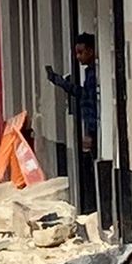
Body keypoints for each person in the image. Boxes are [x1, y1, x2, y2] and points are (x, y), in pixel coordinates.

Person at [47, 33, 98, 213]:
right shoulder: (90, 72)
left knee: (90, 168)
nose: (78, 57)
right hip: (90, 125)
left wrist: (91, 132)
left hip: (92, 127)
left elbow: (88, 99)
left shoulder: (94, 74)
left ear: (91, 51)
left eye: (81, 52)